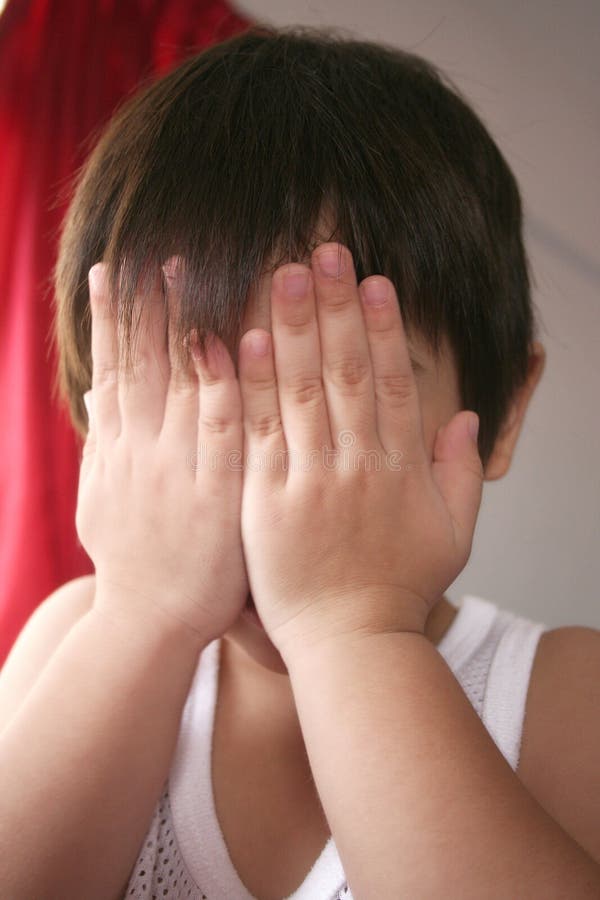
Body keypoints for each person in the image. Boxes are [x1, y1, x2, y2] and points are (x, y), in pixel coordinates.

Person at [0, 24, 599, 900]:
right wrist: (141, 617)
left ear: (501, 412)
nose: (263, 498)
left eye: (328, 406)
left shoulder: (560, 698)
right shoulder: (74, 639)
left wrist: (353, 629)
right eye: (193, 412)